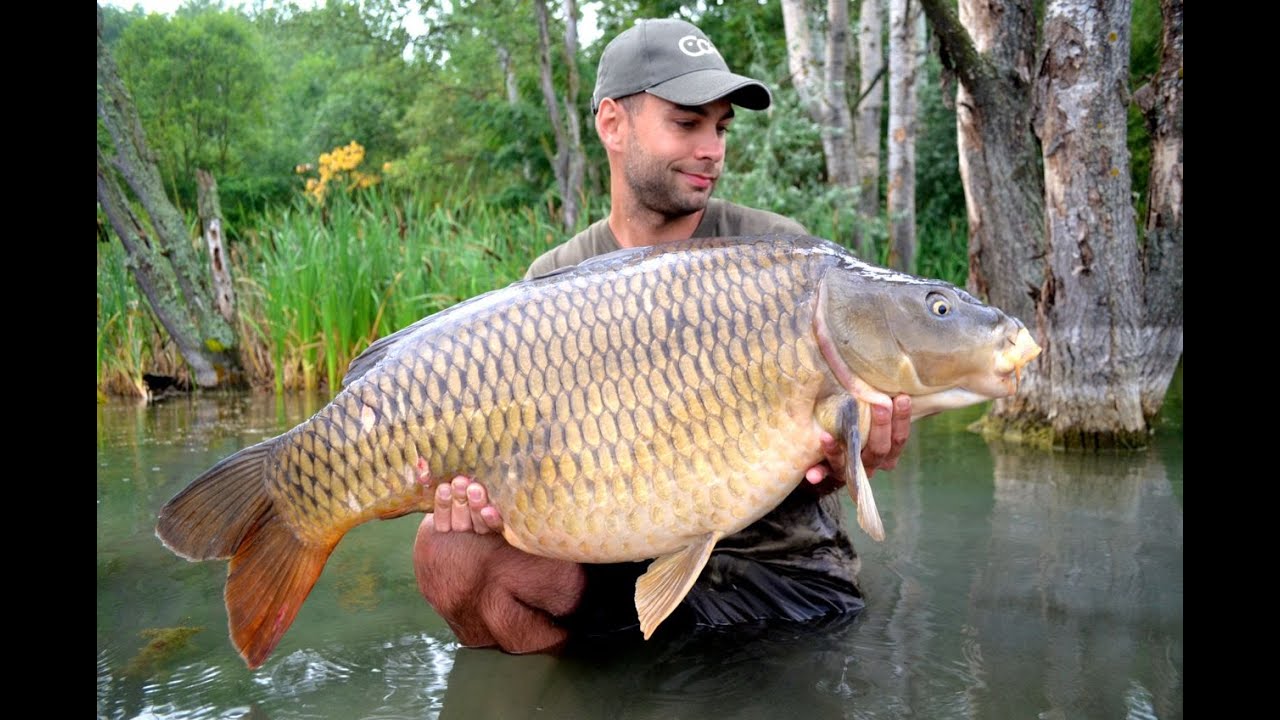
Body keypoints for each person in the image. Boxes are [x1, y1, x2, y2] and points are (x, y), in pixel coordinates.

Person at [413, 17, 913, 654]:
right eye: (687, 123)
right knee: (447, 550)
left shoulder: (782, 259)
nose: (713, 148)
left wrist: (854, 459)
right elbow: (519, 470)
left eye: (721, 126)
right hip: (615, 568)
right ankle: (573, 689)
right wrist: (478, 499)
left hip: (783, 582)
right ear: (612, 124)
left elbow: (839, 444)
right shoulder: (554, 283)